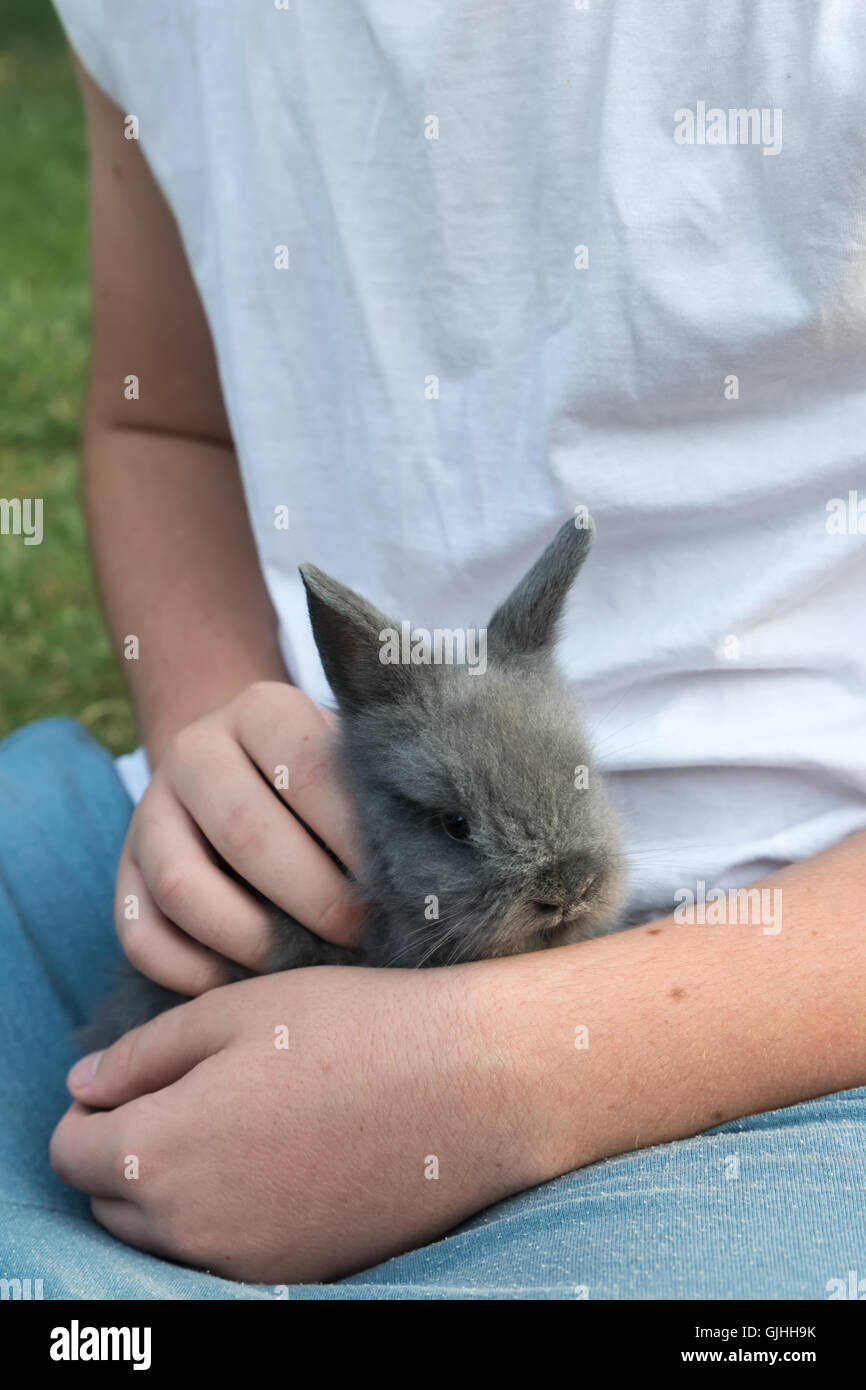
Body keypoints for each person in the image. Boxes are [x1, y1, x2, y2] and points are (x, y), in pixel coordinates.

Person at [2, 0, 865, 1298]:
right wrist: (212, 724)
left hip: (778, 1011)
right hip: (230, 919)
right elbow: (163, 420)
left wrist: (515, 1067)